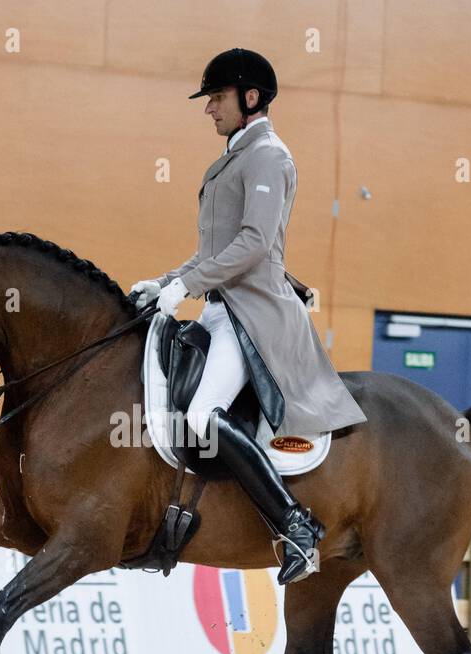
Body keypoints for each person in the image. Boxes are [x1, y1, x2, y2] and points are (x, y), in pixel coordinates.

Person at [130, 48, 367, 585]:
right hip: (221, 310)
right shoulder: (236, 157)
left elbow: (256, 244)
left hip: (255, 315)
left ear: (250, 98)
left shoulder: (268, 156)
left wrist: (188, 286)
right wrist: (167, 282)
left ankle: (297, 527)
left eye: (217, 98)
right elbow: (216, 248)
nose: (208, 109)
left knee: (200, 418)